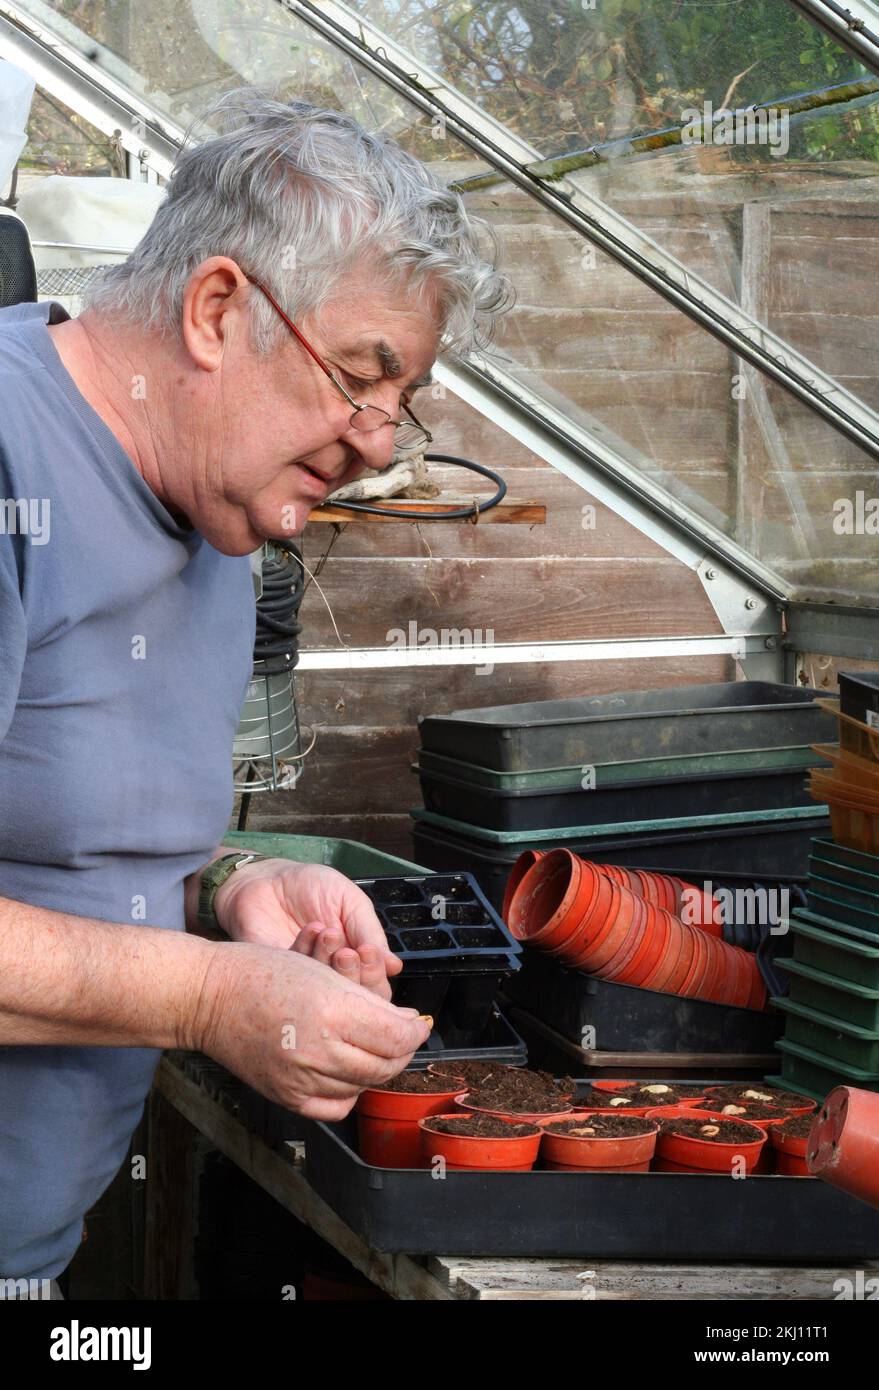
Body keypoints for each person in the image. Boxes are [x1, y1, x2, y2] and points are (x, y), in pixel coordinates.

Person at [0, 88, 512, 1282]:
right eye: (361, 378)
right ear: (219, 308)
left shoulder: (223, 522)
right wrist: (209, 1000)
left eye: (403, 403)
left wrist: (230, 891)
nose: (380, 441)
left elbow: (64, 855)